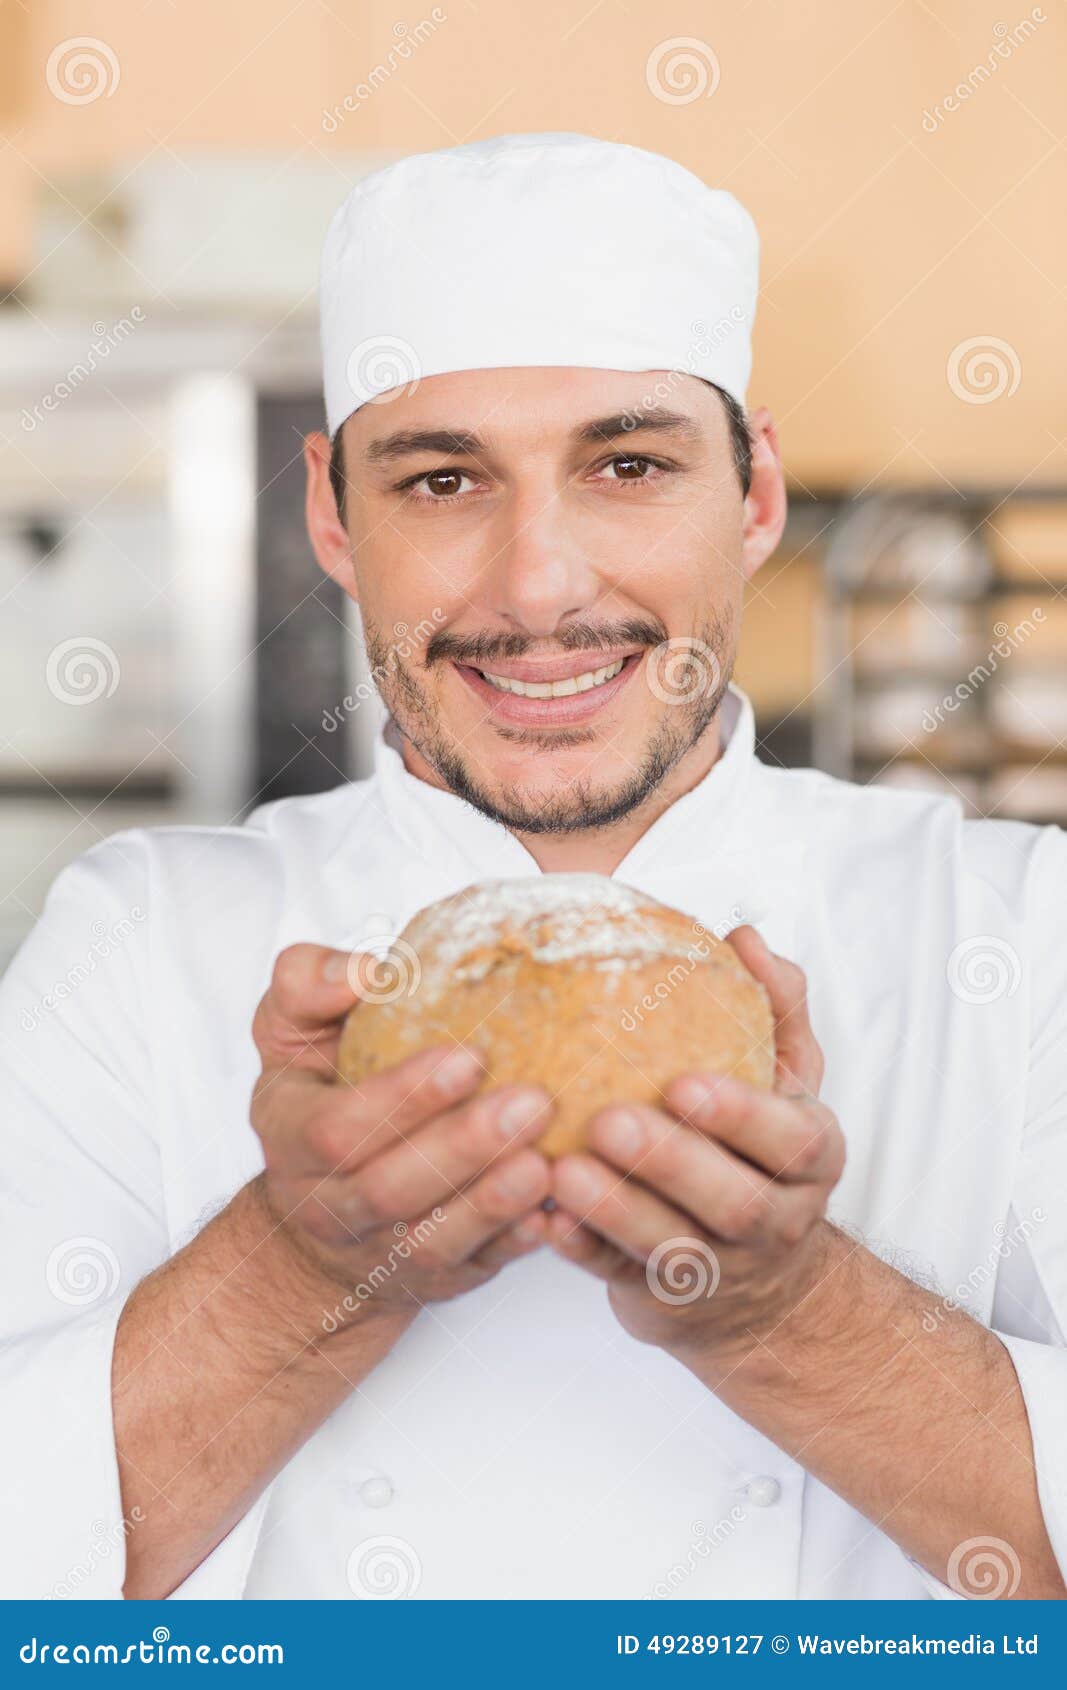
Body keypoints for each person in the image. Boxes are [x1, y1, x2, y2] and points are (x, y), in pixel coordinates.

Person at [2, 132, 1065, 1603]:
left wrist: (787, 1311)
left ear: (754, 494)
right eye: (443, 481)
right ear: (332, 515)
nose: (540, 585)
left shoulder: (1017, 935)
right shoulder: (139, 946)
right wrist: (299, 1272)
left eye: (627, 465)